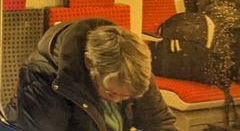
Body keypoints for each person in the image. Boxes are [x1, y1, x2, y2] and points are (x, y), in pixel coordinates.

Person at [15, 17, 176, 131]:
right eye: (111, 93)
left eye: (126, 97)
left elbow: (160, 122)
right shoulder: (42, 77)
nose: (117, 100)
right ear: (89, 63)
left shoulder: (134, 71)